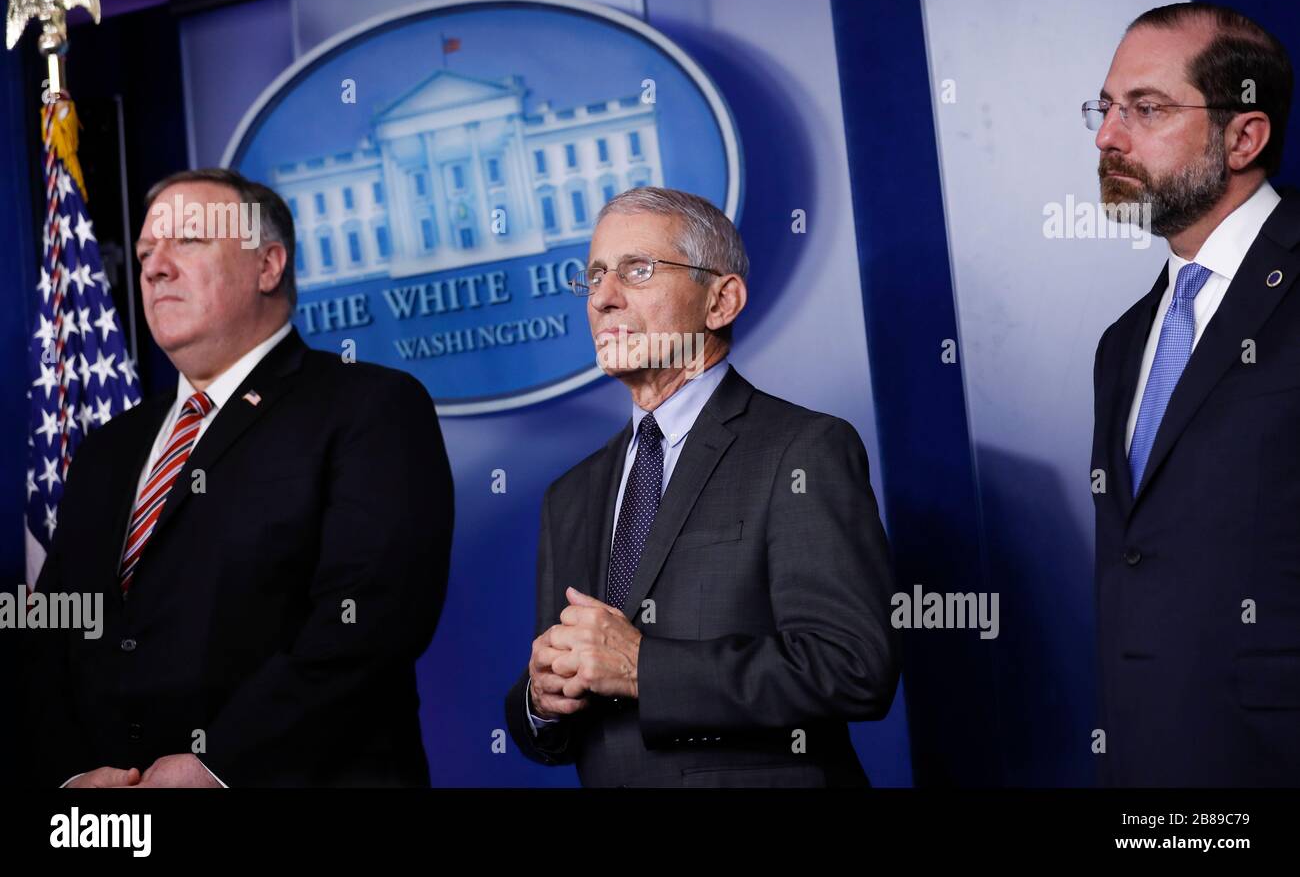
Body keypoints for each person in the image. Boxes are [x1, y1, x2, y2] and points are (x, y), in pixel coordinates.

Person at [23, 168, 453, 787]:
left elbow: (369, 624)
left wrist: (217, 767)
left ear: (268, 265)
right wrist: (72, 778)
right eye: (146, 251)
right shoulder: (105, 451)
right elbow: (52, 629)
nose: (154, 267)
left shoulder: (369, 408)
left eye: (187, 242)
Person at [504, 186, 899, 786]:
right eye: (594, 276)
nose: (605, 298)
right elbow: (559, 725)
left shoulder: (802, 449)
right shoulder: (571, 494)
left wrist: (643, 668)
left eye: (637, 270)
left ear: (720, 300)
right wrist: (540, 699)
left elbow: (853, 669)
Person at [1089, 3, 1298, 785]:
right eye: (1105, 109)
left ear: (1244, 137)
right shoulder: (1124, 342)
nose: (1109, 136)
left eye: (1146, 109)